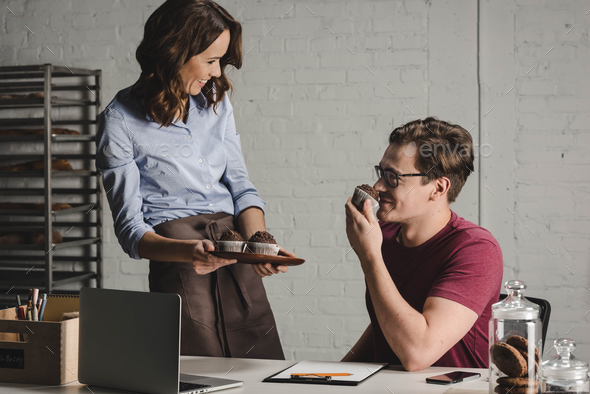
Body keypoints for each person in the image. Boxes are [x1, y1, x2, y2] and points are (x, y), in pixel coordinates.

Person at [95, 0, 290, 360]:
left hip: (233, 247)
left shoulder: (216, 103)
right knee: (198, 371)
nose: (217, 73)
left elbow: (241, 186)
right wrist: (189, 253)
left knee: (259, 366)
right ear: (174, 53)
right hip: (180, 259)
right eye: (210, 60)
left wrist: (258, 244)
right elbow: (131, 232)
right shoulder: (119, 122)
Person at [343, 117, 503, 371]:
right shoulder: (382, 236)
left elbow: (417, 353)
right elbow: (384, 323)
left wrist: (370, 256)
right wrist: (330, 376)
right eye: (380, 172)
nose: (377, 186)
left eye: (393, 177)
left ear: (438, 188)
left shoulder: (476, 250)